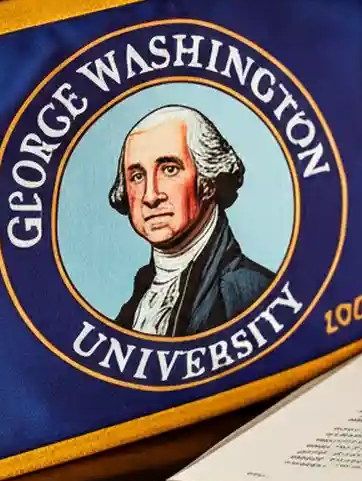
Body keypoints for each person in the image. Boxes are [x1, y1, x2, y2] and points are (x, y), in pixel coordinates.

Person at [107, 104, 273, 337]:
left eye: (170, 170)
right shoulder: (142, 292)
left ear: (208, 181)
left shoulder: (246, 292)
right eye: (137, 176)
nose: (150, 196)